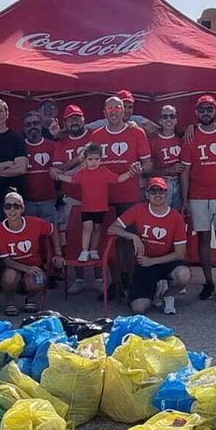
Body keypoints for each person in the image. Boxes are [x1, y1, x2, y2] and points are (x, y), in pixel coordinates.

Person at [88, 95, 153, 297]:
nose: (114, 111)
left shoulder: (137, 132)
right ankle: (114, 284)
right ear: (104, 112)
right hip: (103, 196)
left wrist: (139, 169)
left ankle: (130, 282)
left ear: (124, 110)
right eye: (110, 108)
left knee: (128, 241)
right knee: (106, 240)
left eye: (118, 108)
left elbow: (148, 164)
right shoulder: (97, 135)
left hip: (129, 196)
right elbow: (87, 163)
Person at [180, 95, 216, 302]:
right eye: (202, 110)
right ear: (196, 113)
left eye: (209, 109)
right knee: (203, 240)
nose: (206, 113)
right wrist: (185, 199)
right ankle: (208, 282)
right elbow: (185, 171)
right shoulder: (190, 136)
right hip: (198, 197)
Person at [108, 178, 191, 315]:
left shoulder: (176, 217)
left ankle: (167, 294)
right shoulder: (138, 209)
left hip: (166, 260)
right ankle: (152, 291)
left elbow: (180, 253)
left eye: (161, 191)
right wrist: (133, 236)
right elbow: (112, 229)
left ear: (166, 194)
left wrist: (152, 261)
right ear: (146, 194)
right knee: (138, 308)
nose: (157, 195)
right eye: (153, 191)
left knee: (184, 274)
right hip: (144, 263)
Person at [52, 143, 142, 262]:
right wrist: (59, 176)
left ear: (101, 159)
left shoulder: (104, 171)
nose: (94, 162)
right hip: (87, 208)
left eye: (97, 159)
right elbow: (72, 179)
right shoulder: (83, 172)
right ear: (84, 160)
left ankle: (93, 250)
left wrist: (130, 173)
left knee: (97, 228)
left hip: (100, 208)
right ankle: (84, 251)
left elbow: (118, 179)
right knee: (87, 227)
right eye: (90, 159)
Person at [0, 191, 64, 316]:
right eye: (8, 206)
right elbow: (6, 260)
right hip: (12, 266)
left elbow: (52, 230)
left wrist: (58, 253)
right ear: (4, 209)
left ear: (22, 208)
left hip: (34, 264)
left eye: (16, 206)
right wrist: (27, 269)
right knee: (9, 277)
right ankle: (10, 302)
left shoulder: (35, 223)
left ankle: (31, 298)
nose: (12, 210)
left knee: (39, 280)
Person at [50, 104, 94, 294]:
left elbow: (92, 165)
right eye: (70, 119)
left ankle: (99, 278)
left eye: (77, 117)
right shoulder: (61, 143)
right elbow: (57, 171)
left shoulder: (94, 135)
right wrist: (78, 160)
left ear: (84, 119)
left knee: (97, 237)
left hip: (95, 195)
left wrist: (69, 171)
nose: (74, 121)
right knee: (74, 238)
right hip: (72, 197)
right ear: (65, 123)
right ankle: (79, 279)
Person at [21, 110, 58, 223]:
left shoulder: (52, 145)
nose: (32, 127)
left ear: (41, 125)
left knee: (51, 230)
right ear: (23, 128)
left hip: (49, 200)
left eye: (35, 123)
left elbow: (60, 169)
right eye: (28, 124)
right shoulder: (19, 146)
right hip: (27, 202)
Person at [148, 105, 185, 211]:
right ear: (160, 120)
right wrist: (168, 170)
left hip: (180, 184)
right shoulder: (152, 141)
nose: (168, 119)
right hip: (160, 185)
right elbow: (146, 172)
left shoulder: (182, 139)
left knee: (177, 216)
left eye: (172, 116)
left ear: (176, 120)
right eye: (165, 117)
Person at [86, 89, 153, 132]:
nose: (127, 111)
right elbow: (86, 128)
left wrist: (141, 130)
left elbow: (157, 130)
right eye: (124, 106)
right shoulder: (105, 122)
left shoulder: (138, 120)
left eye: (130, 107)